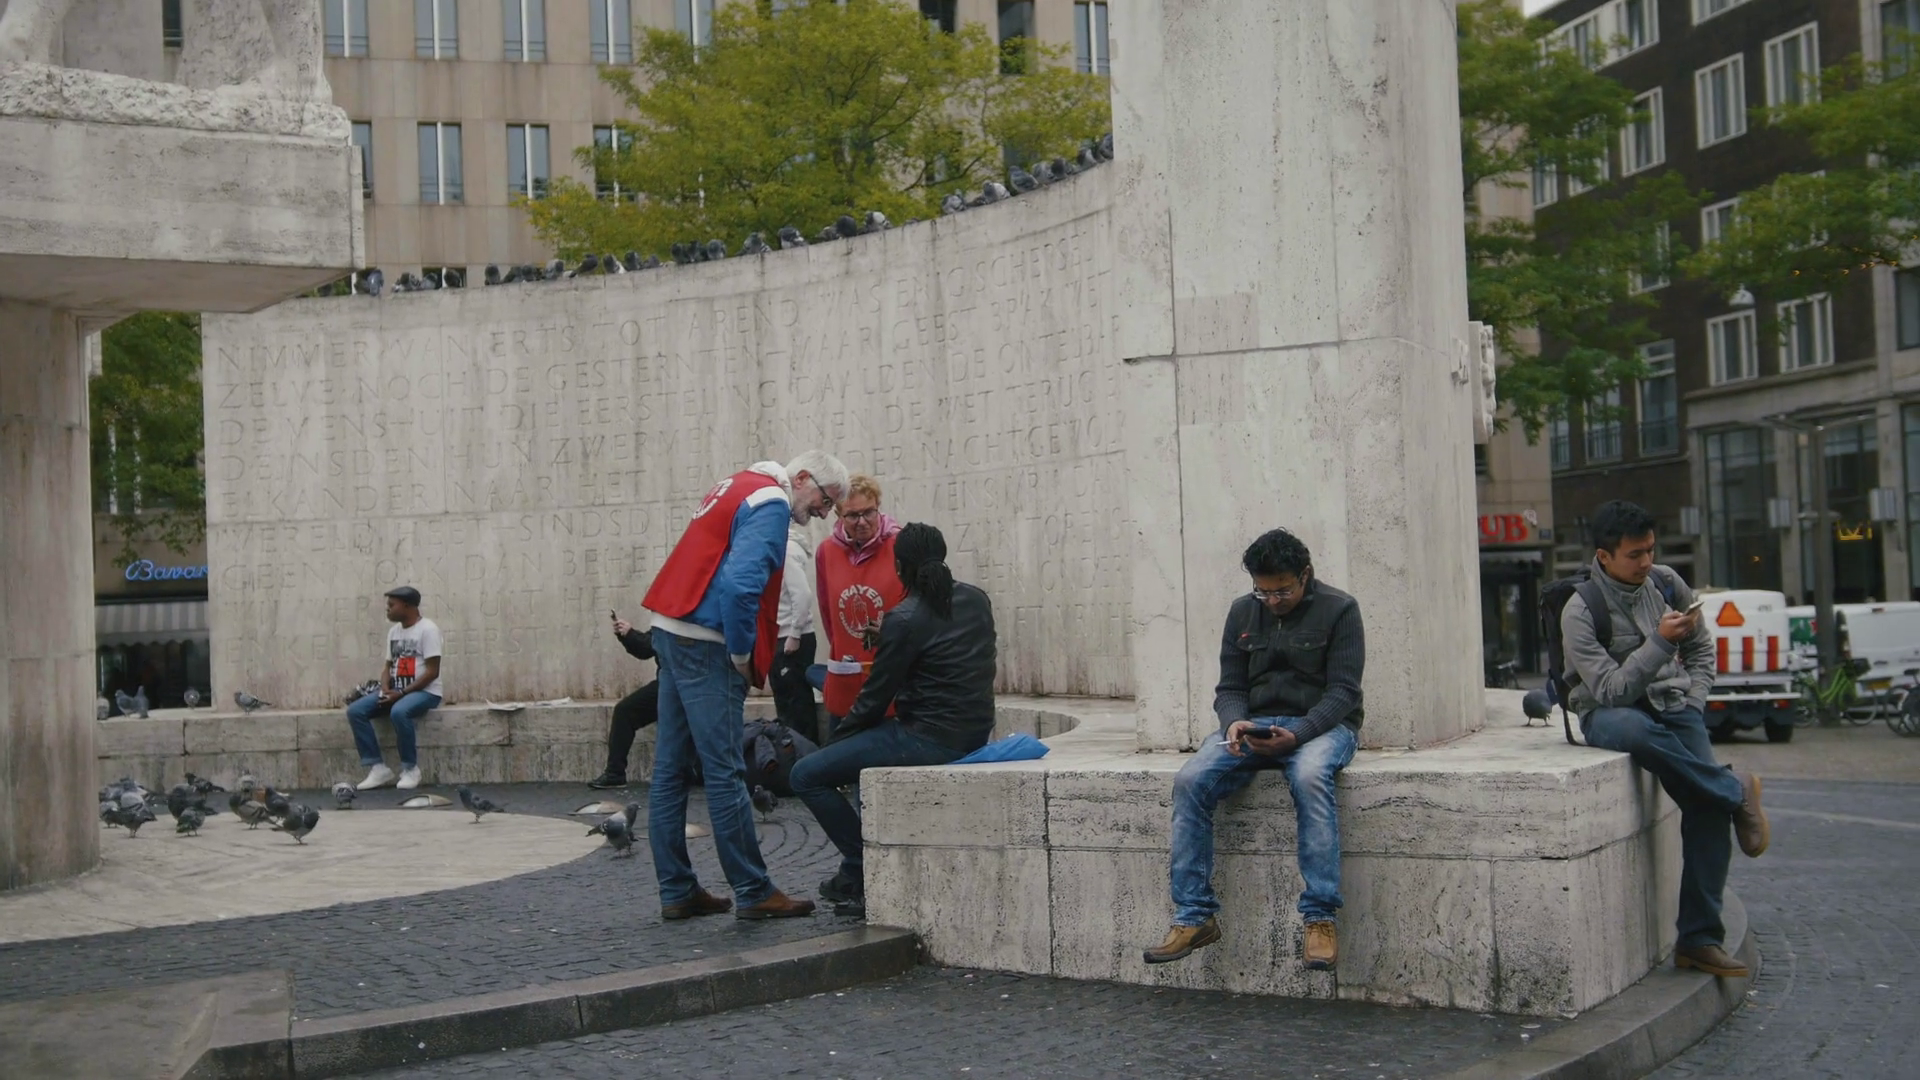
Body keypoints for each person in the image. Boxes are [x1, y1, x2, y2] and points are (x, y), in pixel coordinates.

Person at [1560, 499, 1769, 977]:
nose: (1646, 563)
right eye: (1634, 555)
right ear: (1605, 556)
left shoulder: (1668, 583)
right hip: (1609, 714)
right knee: (1634, 727)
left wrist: (1694, 701)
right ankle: (1737, 789)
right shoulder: (1580, 609)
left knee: (1708, 811)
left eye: (1650, 551)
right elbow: (1610, 691)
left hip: (1675, 707)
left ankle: (1698, 940)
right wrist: (1659, 643)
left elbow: (1702, 650)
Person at [640, 451, 849, 921]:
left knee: (671, 770)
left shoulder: (737, 483)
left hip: (672, 627)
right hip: (707, 640)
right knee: (725, 771)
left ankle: (677, 888)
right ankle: (753, 890)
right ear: (801, 478)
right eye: (825, 499)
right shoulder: (770, 504)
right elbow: (739, 585)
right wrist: (740, 653)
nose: (823, 512)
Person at [1144, 529, 1363, 971]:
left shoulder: (1340, 609)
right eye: (1263, 592)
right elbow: (1230, 687)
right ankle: (1194, 917)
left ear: (1305, 575)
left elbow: (1343, 693)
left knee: (1308, 776)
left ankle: (1319, 918)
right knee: (1190, 780)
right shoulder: (1243, 611)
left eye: (1282, 590)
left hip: (1322, 726)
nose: (1272, 600)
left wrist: (1299, 734)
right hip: (1254, 725)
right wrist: (1234, 723)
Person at [789, 523, 997, 909]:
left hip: (927, 738)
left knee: (806, 774)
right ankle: (854, 872)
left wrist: (838, 741)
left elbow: (872, 700)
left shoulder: (904, 618)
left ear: (900, 568)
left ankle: (859, 862)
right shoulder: (976, 599)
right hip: (974, 728)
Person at [814, 475, 908, 733]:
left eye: (869, 512)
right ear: (839, 515)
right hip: (846, 679)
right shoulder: (826, 552)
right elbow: (827, 613)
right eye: (853, 515)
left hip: (894, 680)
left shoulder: (900, 545)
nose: (862, 522)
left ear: (878, 506)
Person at [347, 586, 444, 791]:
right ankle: (377, 767)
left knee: (399, 712)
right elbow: (387, 667)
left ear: (407, 606)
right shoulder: (394, 632)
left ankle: (410, 769)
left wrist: (401, 694)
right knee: (356, 711)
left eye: (392, 605)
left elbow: (432, 672)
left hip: (425, 692)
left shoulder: (428, 629)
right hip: (396, 691)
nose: (387, 610)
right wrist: (384, 689)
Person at [587, 613, 660, 790]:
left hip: (685, 684)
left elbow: (651, 644)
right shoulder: (669, 615)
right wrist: (627, 634)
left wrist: (631, 634)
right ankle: (615, 773)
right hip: (669, 683)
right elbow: (648, 647)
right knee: (625, 711)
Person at [769, 522, 819, 736]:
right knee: (786, 705)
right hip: (780, 634)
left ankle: (801, 754)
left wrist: (794, 634)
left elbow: (802, 594)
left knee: (796, 706)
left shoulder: (786, 550)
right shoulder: (778, 547)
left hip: (790, 638)